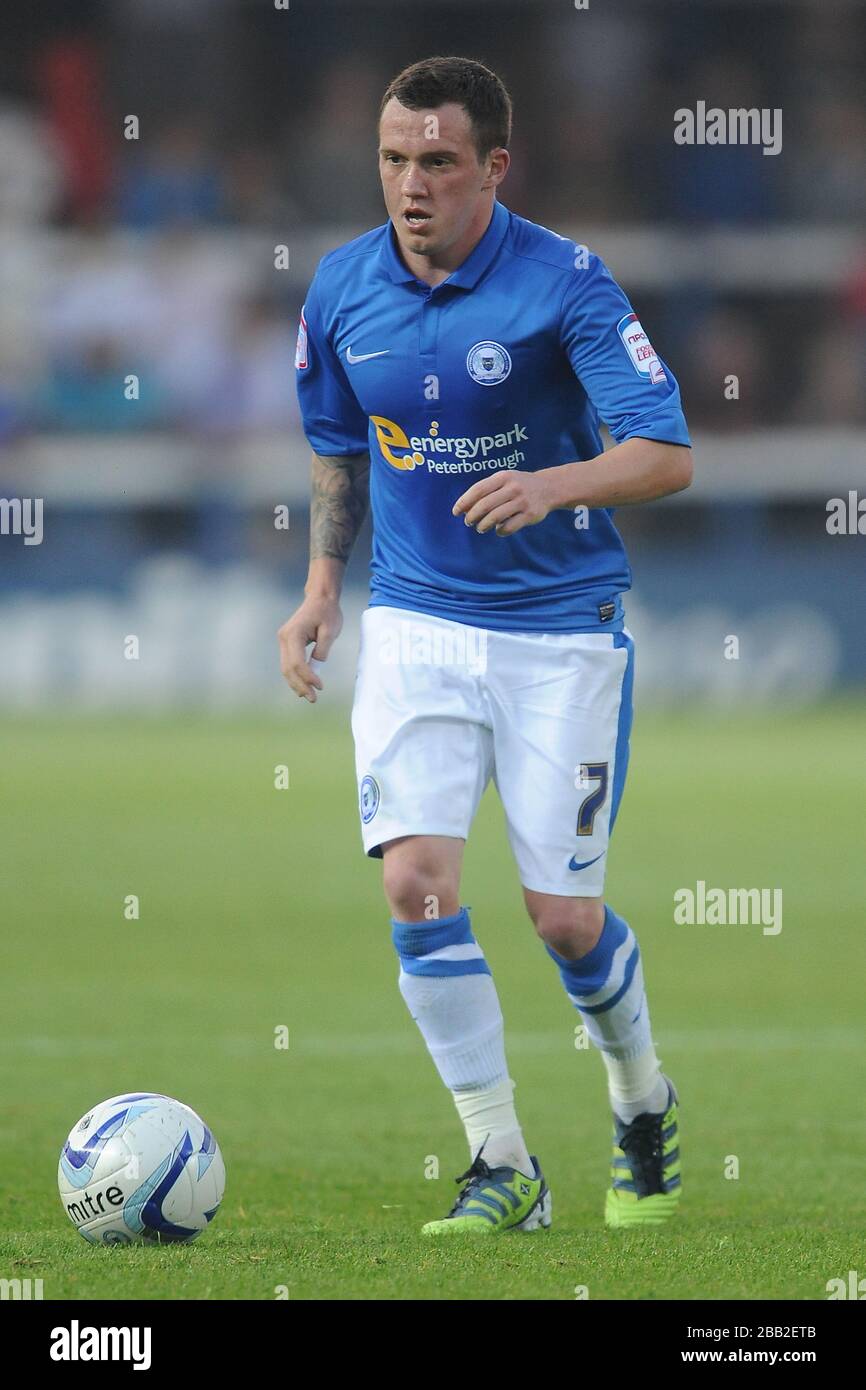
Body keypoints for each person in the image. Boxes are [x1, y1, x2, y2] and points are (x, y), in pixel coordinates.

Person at [280, 55, 692, 1235]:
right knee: (414, 884)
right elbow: (335, 445)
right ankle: (500, 1163)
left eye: (438, 162)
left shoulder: (567, 281)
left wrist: (551, 484)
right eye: (393, 160)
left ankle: (638, 1098)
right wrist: (319, 586)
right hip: (413, 622)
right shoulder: (341, 287)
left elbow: (665, 453)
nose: (410, 186)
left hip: (558, 633)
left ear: (492, 168)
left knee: (561, 921)